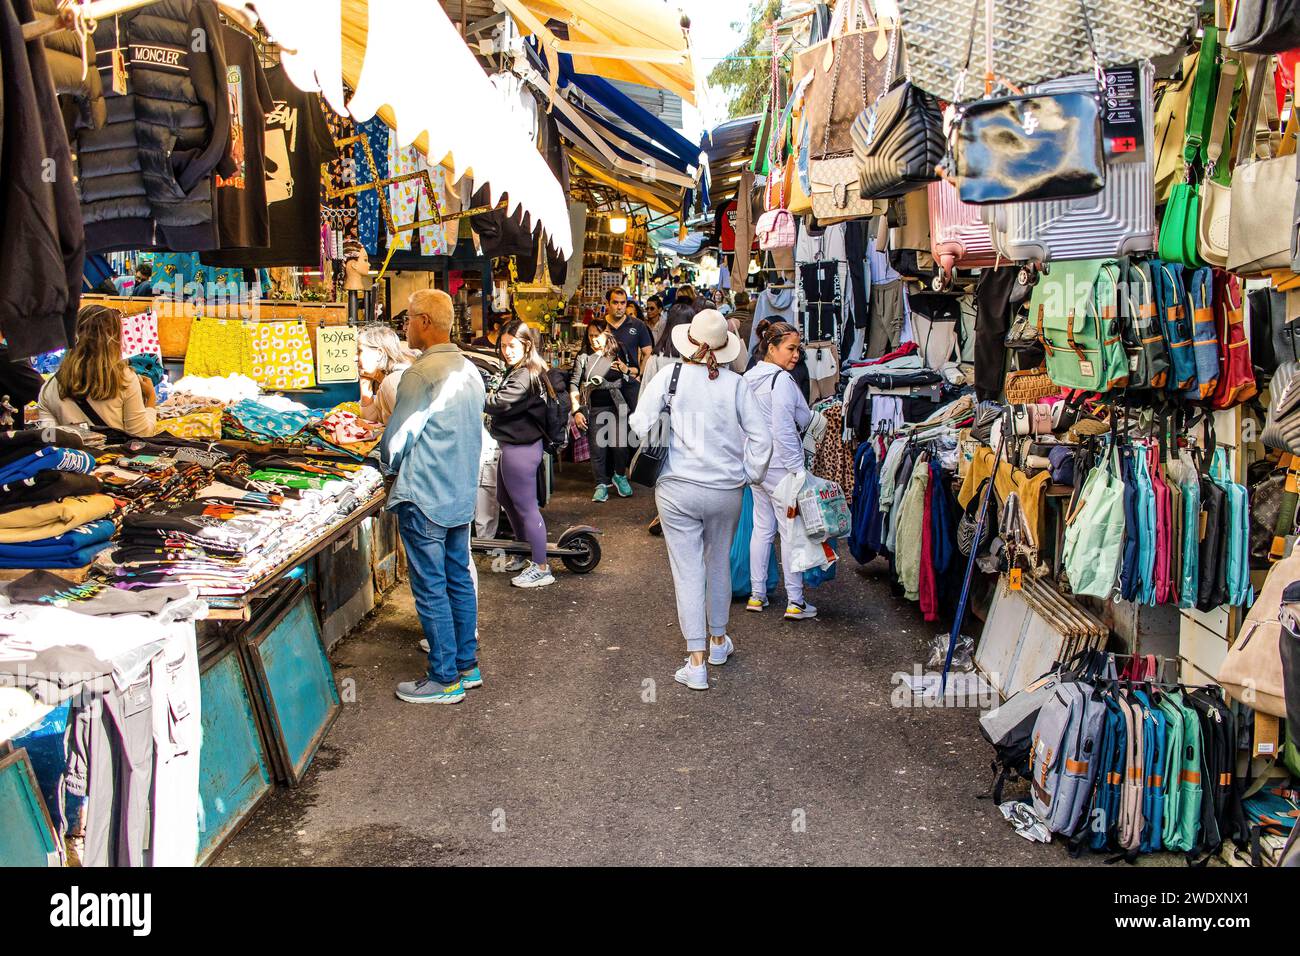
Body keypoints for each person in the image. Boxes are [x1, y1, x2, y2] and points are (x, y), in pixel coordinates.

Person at [629, 309, 772, 692]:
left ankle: (696, 662)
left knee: (688, 570)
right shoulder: (737, 385)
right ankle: (719, 641)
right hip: (726, 490)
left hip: (677, 489)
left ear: (688, 342)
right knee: (718, 563)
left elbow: (638, 424)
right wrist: (751, 474)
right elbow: (762, 438)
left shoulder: (669, 376)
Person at [381, 290, 486, 705]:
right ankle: (466, 665)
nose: (404, 326)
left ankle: (444, 679)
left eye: (407, 319)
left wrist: (383, 462)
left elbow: (398, 439)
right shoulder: (469, 369)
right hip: (459, 493)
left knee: (431, 586)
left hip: (425, 494)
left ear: (424, 321)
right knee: (458, 577)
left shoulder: (422, 374)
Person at [743, 321, 818, 621]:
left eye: (798, 349)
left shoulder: (747, 378)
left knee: (762, 529)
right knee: (789, 532)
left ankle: (757, 595)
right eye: (790, 348)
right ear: (771, 348)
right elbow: (788, 428)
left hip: (755, 466)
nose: (796, 355)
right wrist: (798, 470)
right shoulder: (782, 382)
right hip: (780, 467)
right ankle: (795, 600)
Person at [485, 319, 556, 589]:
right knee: (506, 498)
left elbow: (501, 402)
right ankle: (523, 550)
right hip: (513, 446)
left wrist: (473, 395)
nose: (507, 350)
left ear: (526, 345)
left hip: (522, 449)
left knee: (526, 507)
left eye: (512, 345)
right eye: (503, 345)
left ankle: (541, 566)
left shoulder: (525, 373)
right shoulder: (519, 369)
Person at [37, 305, 158, 436]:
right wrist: (151, 398)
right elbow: (140, 435)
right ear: (114, 339)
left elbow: (48, 438)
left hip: (71, 455)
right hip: (112, 455)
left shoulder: (49, 388)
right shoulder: (125, 379)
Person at [569, 320, 633, 503]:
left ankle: (619, 476)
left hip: (618, 405)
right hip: (595, 406)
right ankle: (601, 484)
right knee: (598, 448)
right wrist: (576, 411)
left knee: (620, 447)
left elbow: (633, 374)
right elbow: (574, 383)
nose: (593, 340)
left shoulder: (618, 352)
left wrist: (625, 369)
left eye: (597, 335)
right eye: (590, 336)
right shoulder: (583, 356)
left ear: (607, 334)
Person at [601, 287, 653, 496]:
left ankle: (621, 471)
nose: (619, 306)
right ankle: (605, 476)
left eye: (623, 302)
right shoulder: (600, 326)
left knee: (629, 428)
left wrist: (639, 373)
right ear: (608, 303)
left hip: (629, 384)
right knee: (604, 428)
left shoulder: (637, 325)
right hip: (603, 384)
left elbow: (648, 352)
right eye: (615, 302)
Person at [358, 323, 414, 425]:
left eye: (360, 351)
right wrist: (365, 382)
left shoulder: (394, 382)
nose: (355, 358)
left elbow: (405, 430)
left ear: (379, 353)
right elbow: (370, 420)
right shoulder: (387, 379)